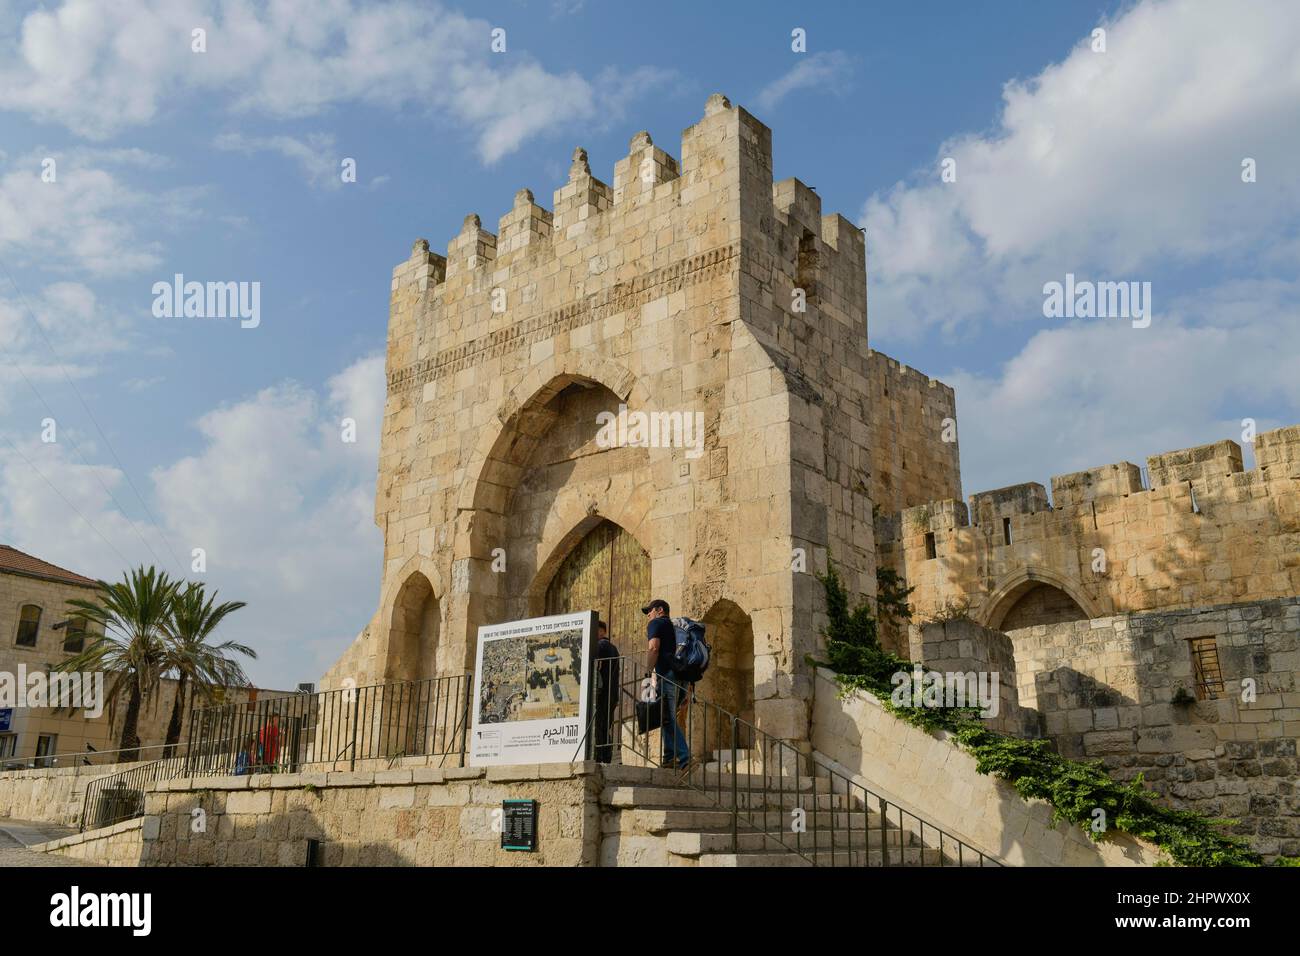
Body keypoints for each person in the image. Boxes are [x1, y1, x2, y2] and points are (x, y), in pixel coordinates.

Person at [643, 598, 690, 770]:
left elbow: (654, 648)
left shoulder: (655, 623)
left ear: (660, 610)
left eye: (650, 610)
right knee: (665, 717)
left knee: (668, 719)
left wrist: (647, 672)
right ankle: (669, 758)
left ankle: (685, 758)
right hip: (679, 676)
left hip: (667, 676)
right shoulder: (671, 626)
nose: (648, 614)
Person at [592, 620, 621, 764]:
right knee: (605, 725)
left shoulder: (600, 645)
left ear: (602, 631)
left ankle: (601, 756)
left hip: (602, 693)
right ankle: (605, 756)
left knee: (600, 725)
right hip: (611, 693)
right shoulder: (613, 648)